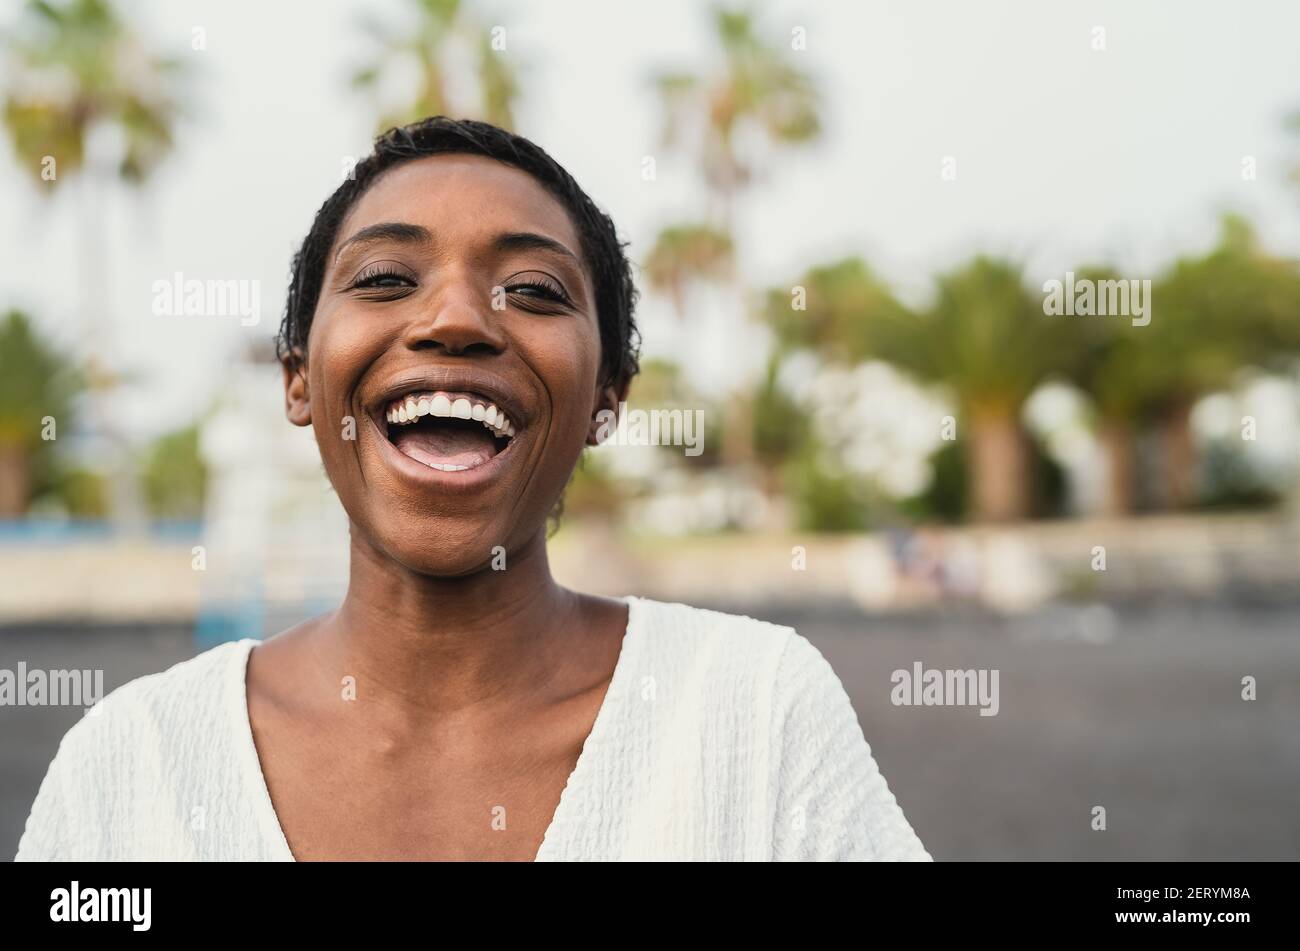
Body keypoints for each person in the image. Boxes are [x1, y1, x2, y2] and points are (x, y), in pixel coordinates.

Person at [15, 117, 930, 861]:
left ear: (607, 397)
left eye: (533, 290)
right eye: (384, 278)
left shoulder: (754, 711)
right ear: (299, 378)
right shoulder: (127, 762)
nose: (455, 317)